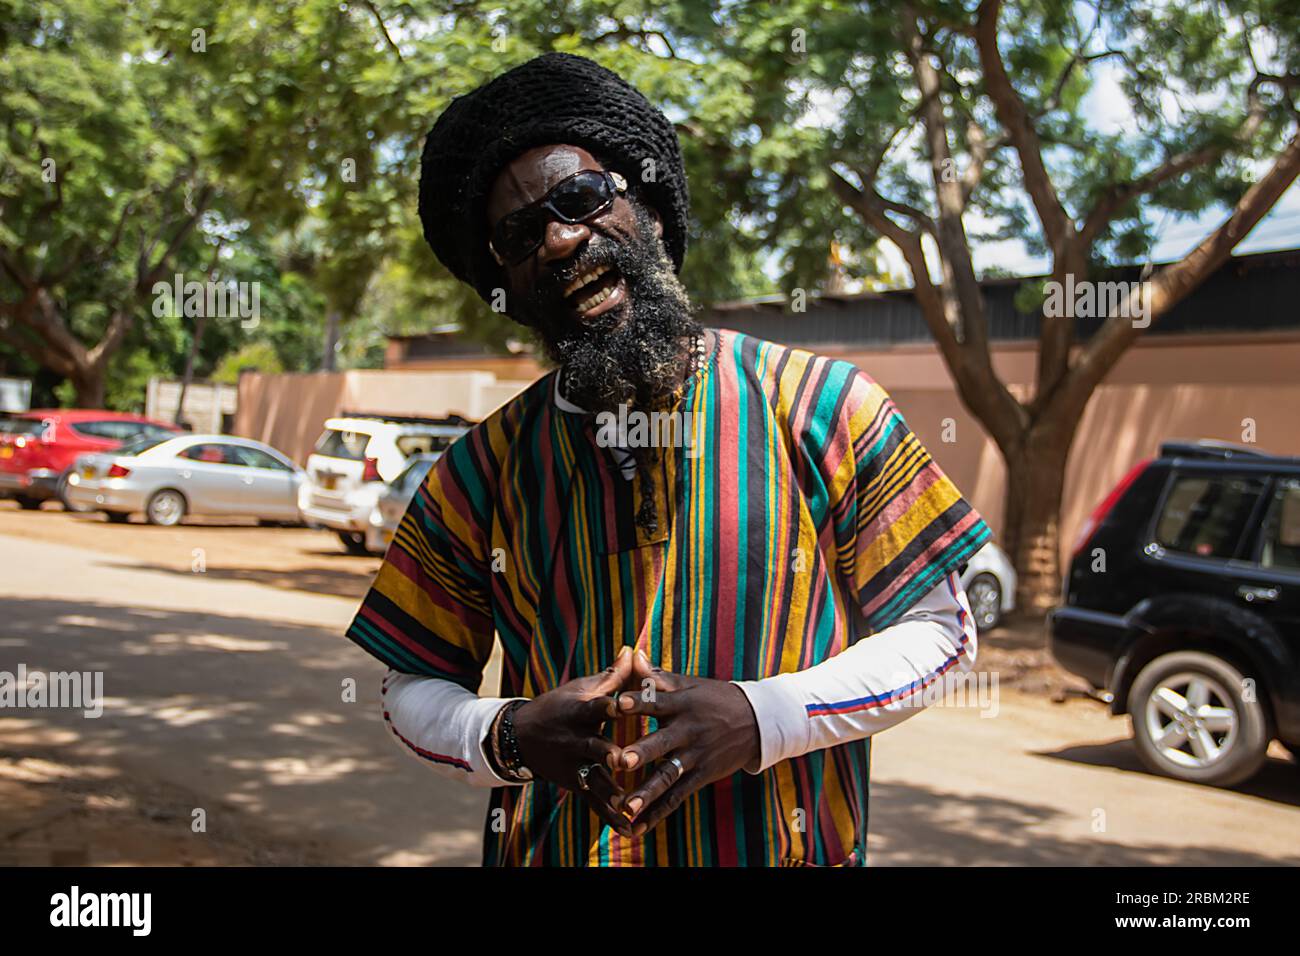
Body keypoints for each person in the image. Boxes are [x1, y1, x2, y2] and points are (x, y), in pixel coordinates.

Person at [345, 52, 991, 866]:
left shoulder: (824, 406)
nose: (558, 239)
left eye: (581, 197)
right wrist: (507, 734)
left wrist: (763, 717)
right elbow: (411, 686)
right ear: (502, 277)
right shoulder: (478, 472)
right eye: (518, 234)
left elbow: (940, 632)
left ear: (647, 207)